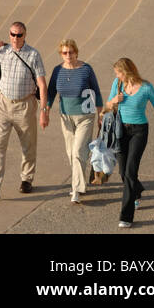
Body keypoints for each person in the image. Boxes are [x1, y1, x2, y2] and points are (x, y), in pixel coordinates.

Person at [0, 21, 48, 199]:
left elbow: (42, 84)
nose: (15, 38)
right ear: (9, 35)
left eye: (19, 35)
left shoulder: (33, 54)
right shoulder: (3, 52)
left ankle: (27, 179)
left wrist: (44, 111)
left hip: (25, 105)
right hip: (4, 104)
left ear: (25, 36)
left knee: (28, 145)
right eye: (13, 34)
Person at [101, 57, 154, 228]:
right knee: (123, 172)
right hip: (121, 131)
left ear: (127, 71)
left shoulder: (146, 88)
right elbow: (107, 104)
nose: (117, 76)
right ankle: (137, 190)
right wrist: (114, 101)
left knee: (130, 171)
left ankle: (126, 216)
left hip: (139, 132)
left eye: (119, 73)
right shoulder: (118, 84)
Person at [46, 39, 103, 203]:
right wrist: (46, 112)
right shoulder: (57, 71)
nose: (68, 55)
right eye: (65, 52)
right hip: (66, 117)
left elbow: (97, 92)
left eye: (71, 52)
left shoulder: (86, 69)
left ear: (76, 52)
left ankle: (76, 189)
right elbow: (50, 94)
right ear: (61, 54)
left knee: (78, 151)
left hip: (85, 116)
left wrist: (101, 114)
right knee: (72, 153)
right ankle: (80, 180)